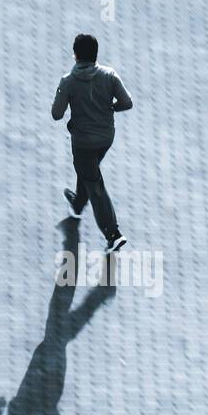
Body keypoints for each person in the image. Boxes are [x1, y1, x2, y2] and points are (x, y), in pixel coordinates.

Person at [51, 33, 132, 252]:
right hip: (106, 138)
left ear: (75, 55)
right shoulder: (110, 75)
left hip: (83, 142)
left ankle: (113, 234)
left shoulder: (68, 81)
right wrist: (110, 108)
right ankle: (77, 204)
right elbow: (127, 102)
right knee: (88, 172)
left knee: (95, 184)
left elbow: (56, 114)